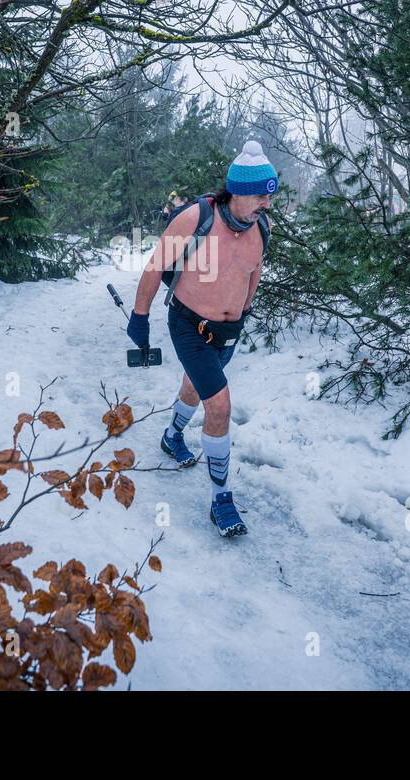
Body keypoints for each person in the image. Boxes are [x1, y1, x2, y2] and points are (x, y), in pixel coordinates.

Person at [126, 141, 277, 537]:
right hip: (188, 325)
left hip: (228, 331)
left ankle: (171, 435)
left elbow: (253, 271)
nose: (267, 203)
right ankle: (221, 499)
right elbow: (156, 267)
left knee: (195, 387)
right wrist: (139, 319)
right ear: (239, 191)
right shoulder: (195, 219)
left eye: (269, 195)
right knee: (221, 405)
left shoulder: (262, 226)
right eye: (261, 194)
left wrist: (243, 312)